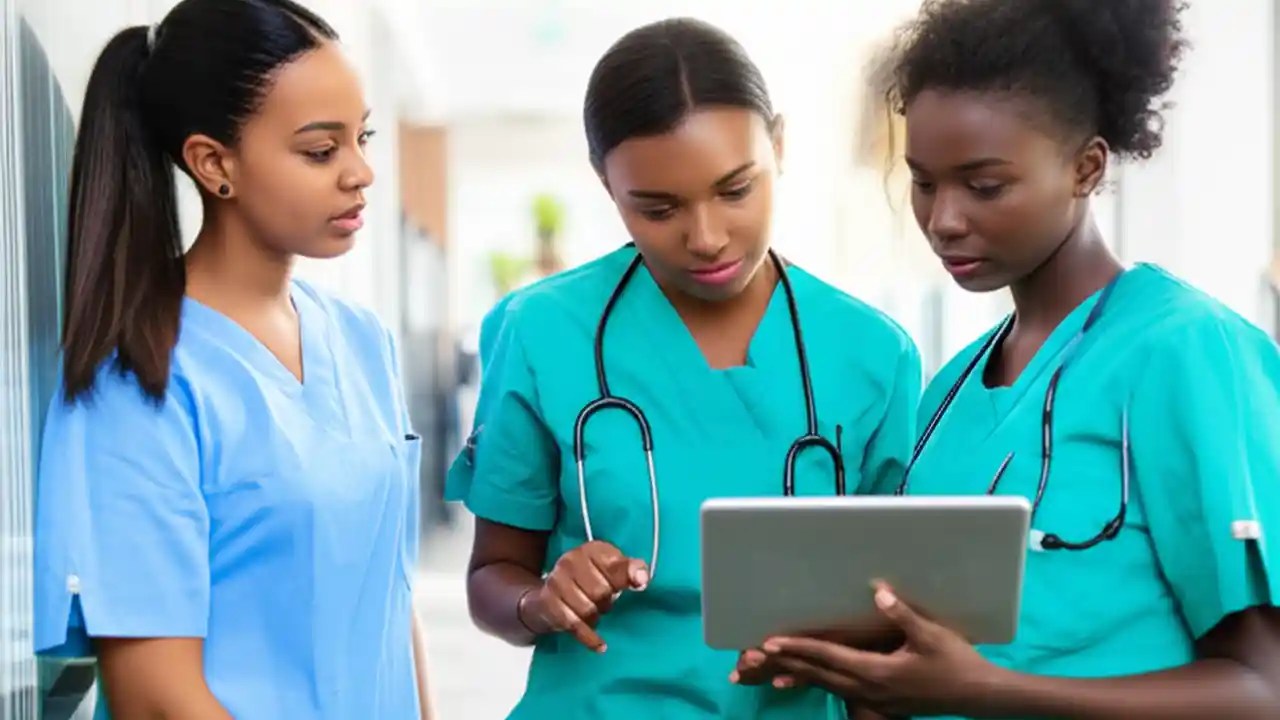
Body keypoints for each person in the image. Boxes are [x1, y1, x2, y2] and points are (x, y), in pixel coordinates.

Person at [736, 1, 1280, 718]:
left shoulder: (1185, 350)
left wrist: (981, 689)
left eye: (985, 186)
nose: (943, 219)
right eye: (924, 181)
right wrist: (853, 669)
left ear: (1085, 168)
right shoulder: (948, 392)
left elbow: (1264, 688)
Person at [446, 17, 921, 720]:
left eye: (736, 190)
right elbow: (493, 577)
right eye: (659, 208)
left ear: (779, 146)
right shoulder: (542, 331)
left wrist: (846, 642)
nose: (706, 237)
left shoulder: (874, 354)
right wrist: (541, 601)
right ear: (606, 184)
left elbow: (900, 607)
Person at [31, 1, 433, 718]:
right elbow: (157, 696)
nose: (361, 172)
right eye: (322, 150)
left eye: (362, 137)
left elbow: (390, 606)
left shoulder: (363, 342)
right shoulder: (138, 376)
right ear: (214, 163)